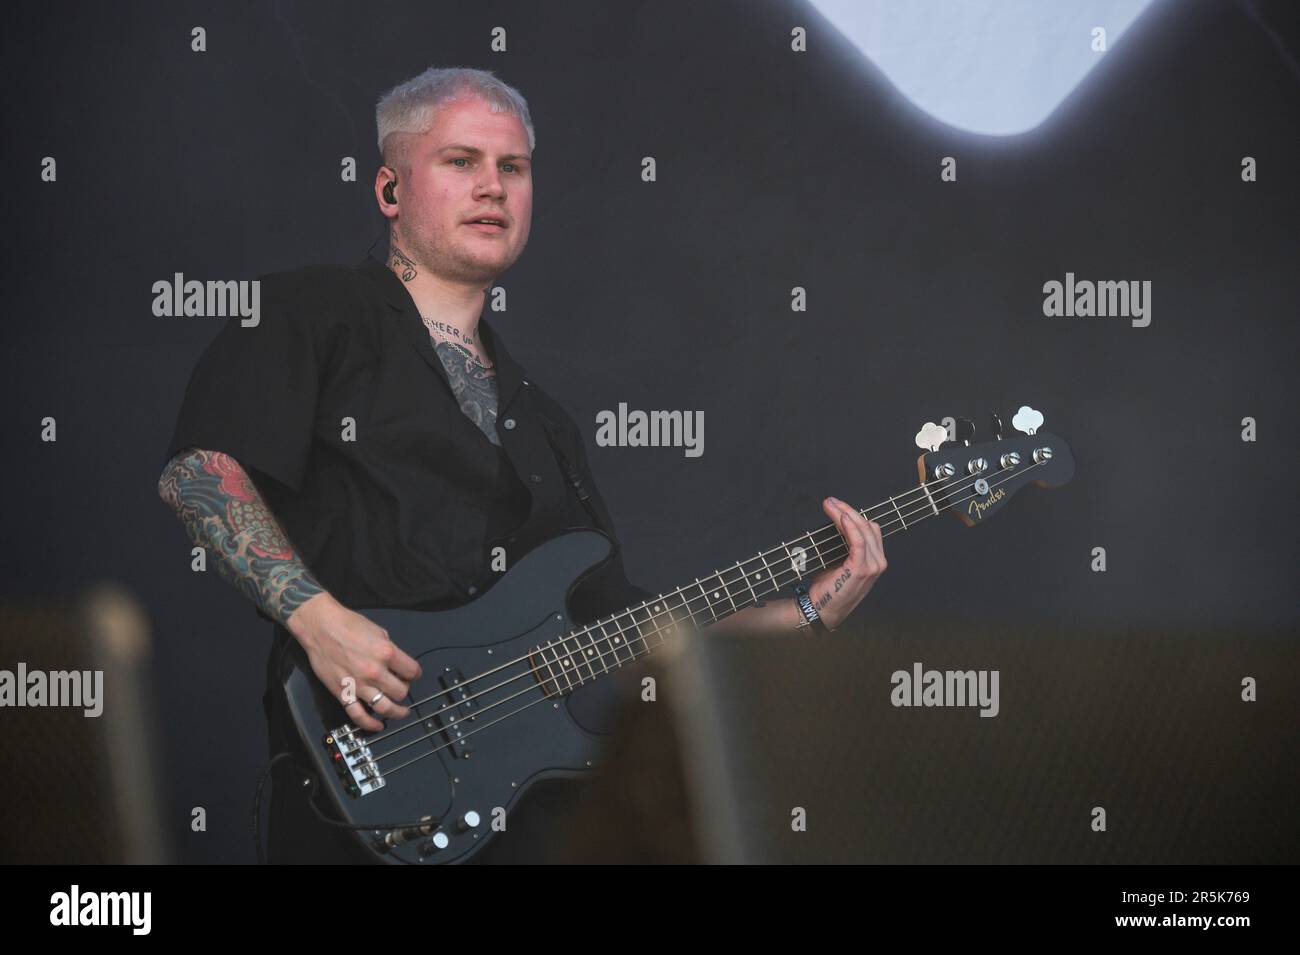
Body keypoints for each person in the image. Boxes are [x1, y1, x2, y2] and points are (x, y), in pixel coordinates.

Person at [157, 66, 888, 864]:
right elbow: (200, 472)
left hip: (522, 820)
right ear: (390, 190)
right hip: (359, 782)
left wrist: (807, 615)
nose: (493, 187)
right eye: (460, 161)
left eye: (513, 167)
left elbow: (632, 632)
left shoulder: (543, 423)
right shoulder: (312, 312)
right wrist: (317, 619)